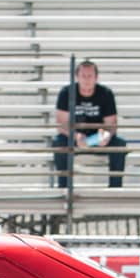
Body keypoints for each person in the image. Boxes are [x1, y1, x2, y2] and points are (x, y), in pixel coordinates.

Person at [52, 59, 127, 188]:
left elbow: (111, 124)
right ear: (77, 77)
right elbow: (61, 125)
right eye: (83, 76)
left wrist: (104, 136)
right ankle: (64, 188)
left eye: (90, 76)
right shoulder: (66, 93)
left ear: (96, 77)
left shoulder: (106, 94)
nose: (86, 80)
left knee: (119, 144)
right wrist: (76, 136)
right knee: (58, 143)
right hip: (74, 137)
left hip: (98, 137)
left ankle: (115, 189)